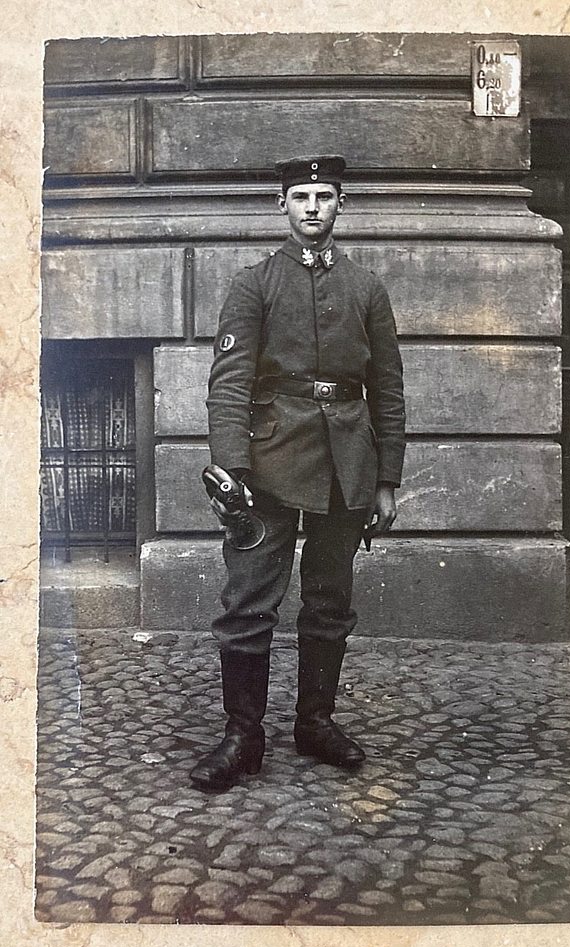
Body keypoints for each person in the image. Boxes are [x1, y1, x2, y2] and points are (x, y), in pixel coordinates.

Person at [190, 155, 406, 792]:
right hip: (270, 464)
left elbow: (387, 390)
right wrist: (232, 471)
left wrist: (385, 479)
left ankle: (315, 723)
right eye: (301, 196)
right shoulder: (253, 285)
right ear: (280, 205)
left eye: (326, 196)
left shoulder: (367, 289)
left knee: (330, 602)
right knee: (249, 603)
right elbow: (228, 385)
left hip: (348, 467)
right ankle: (243, 736)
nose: (313, 207)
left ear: (342, 205)